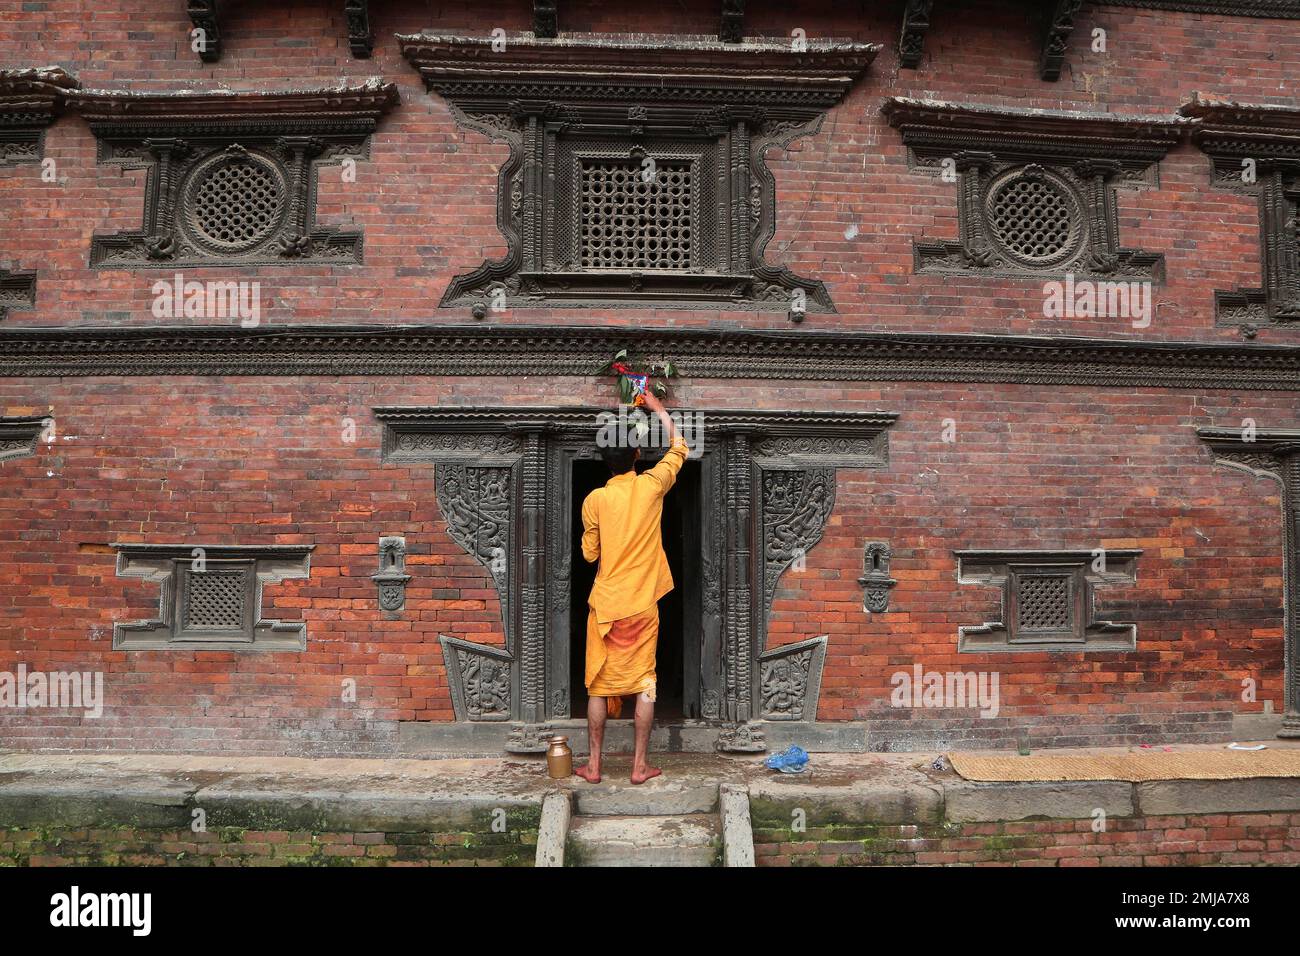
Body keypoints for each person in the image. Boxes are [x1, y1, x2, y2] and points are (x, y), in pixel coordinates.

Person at [573, 392, 689, 785]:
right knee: (646, 683)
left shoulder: (595, 499)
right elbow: (681, 445)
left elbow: (589, 555)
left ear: (604, 462)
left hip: (605, 607)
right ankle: (639, 765)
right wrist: (655, 406)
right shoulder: (652, 485)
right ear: (637, 454)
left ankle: (594, 765)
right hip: (642, 606)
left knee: (597, 685)